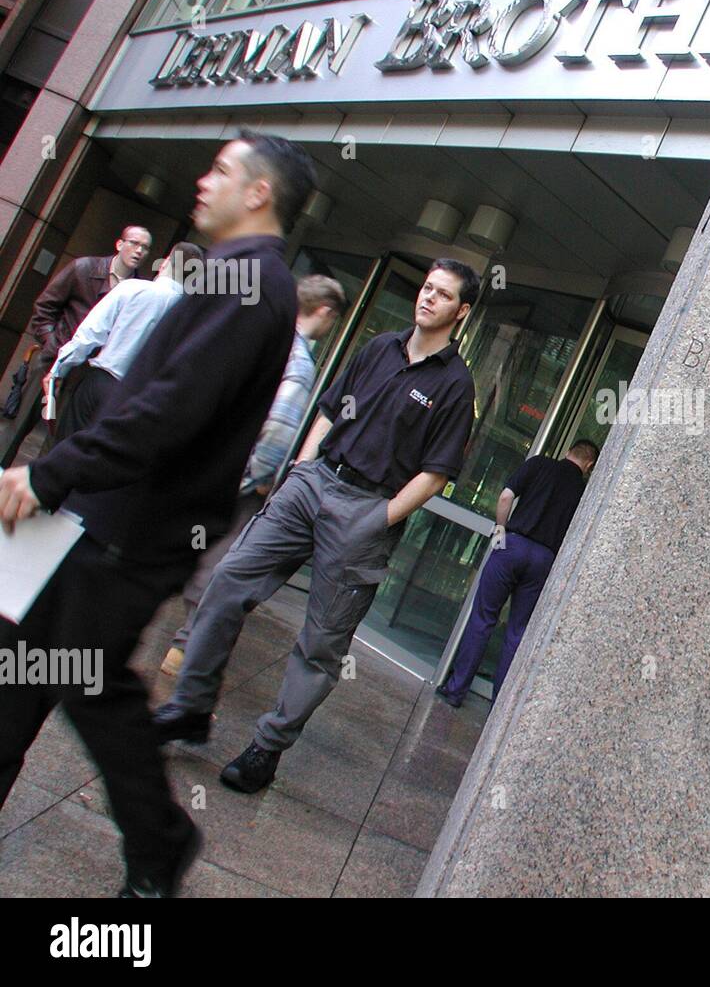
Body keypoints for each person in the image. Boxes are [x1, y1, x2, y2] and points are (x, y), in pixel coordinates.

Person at [0, 129, 312, 897]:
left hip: (133, 532)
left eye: (221, 170)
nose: (203, 182)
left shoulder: (253, 285)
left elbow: (170, 410)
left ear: (258, 192)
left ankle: (160, 840)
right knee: (25, 669)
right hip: (102, 516)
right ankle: (158, 840)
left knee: (89, 684)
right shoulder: (234, 275)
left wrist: (51, 473)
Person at [153, 259, 481, 796]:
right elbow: (330, 410)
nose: (428, 299)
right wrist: (302, 469)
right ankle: (190, 706)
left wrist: (379, 519)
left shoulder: (454, 385)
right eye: (426, 288)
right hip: (313, 482)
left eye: (442, 295)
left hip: (366, 510)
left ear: (461, 311)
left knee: (322, 643)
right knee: (227, 581)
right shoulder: (379, 348)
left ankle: (267, 748)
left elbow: (436, 474)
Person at [161, 274, 346, 676]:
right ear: (325, 312)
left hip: (211, 461)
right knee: (222, 563)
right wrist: (258, 480)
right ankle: (185, 649)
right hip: (241, 478)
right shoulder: (298, 363)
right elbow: (278, 429)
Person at [435, 439, 599, 708]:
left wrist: (501, 529)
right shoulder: (583, 490)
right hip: (544, 559)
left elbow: (506, 496)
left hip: (512, 546)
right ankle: (498, 708)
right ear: (589, 465)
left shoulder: (539, 464)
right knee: (517, 633)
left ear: (568, 451)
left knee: (483, 618)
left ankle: (455, 690)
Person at [0, 225, 152, 465]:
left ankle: (38, 492)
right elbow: (44, 307)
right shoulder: (84, 268)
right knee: (20, 423)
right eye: (134, 243)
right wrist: (52, 344)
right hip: (54, 359)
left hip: (86, 369)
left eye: (145, 247)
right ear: (119, 244)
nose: (139, 251)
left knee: (60, 434)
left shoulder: (139, 289)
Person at [46, 242, 201, 444]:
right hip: (135, 401)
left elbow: (90, 333)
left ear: (167, 262)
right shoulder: (191, 315)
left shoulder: (132, 288)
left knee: (65, 448)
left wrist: (59, 369)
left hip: (101, 381)